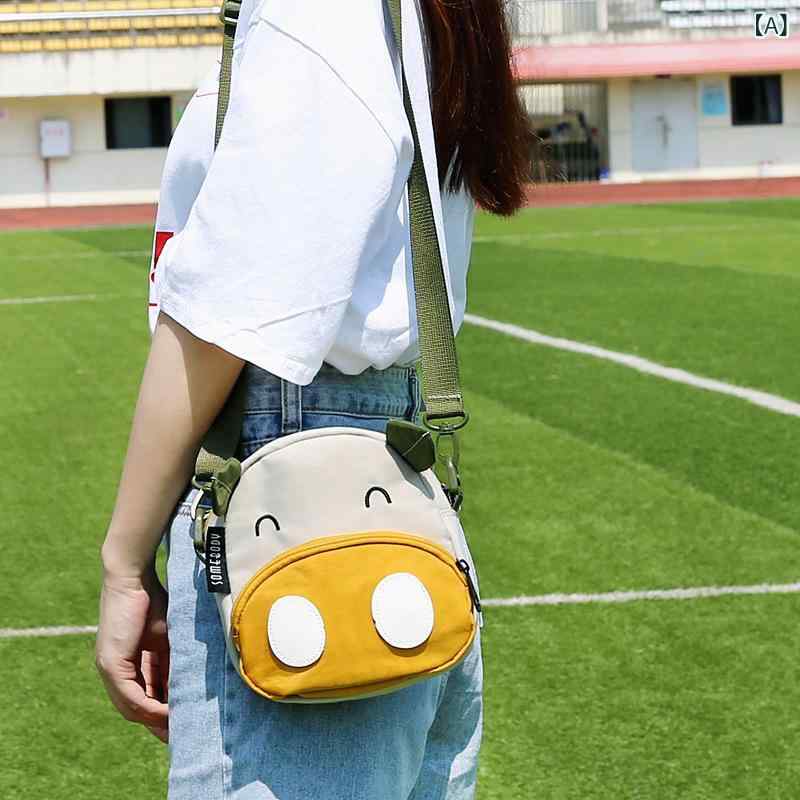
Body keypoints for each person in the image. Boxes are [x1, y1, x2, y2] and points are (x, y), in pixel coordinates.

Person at [94, 0, 530, 797]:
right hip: (389, 483)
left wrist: (125, 562)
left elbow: (229, 314)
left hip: (294, 492)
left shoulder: (319, 9)